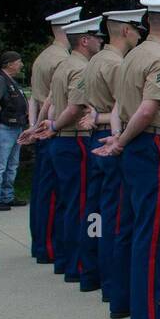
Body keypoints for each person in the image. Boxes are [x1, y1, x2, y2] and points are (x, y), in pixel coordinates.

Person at [92, 0, 160, 319]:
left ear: (149, 21)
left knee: (128, 226)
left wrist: (119, 138)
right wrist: (121, 140)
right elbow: (148, 109)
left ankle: (122, 300)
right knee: (152, 232)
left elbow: (120, 105)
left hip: (133, 146)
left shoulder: (132, 56)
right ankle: (148, 311)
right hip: (149, 145)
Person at [29, 16, 104, 291]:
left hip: (62, 142)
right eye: (96, 36)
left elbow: (48, 100)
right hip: (74, 140)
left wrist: (43, 125)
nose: (100, 41)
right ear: (84, 40)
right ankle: (78, 264)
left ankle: (64, 259)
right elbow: (74, 107)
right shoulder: (81, 69)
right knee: (80, 206)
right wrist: (53, 126)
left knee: (65, 203)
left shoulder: (64, 65)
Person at [86, 9, 145, 318]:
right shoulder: (117, 64)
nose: (140, 33)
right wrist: (119, 138)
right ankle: (114, 285)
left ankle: (102, 278)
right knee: (117, 218)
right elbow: (124, 108)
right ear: (125, 31)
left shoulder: (96, 61)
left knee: (102, 212)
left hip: (97, 135)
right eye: (136, 28)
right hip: (113, 137)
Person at [26, 8, 78, 264]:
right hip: (55, 128)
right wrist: (44, 127)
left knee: (43, 191)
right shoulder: (62, 60)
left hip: (44, 127)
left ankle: (41, 244)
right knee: (55, 194)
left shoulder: (43, 56)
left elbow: (33, 98)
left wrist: (33, 125)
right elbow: (52, 99)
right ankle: (50, 247)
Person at [0, 52, 29, 211]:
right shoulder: (0, 79)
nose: (21, 65)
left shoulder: (10, 80)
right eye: (19, 62)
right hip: (4, 128)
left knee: (12, 164)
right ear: (9, 64)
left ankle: (7, 196)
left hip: (15, 127)